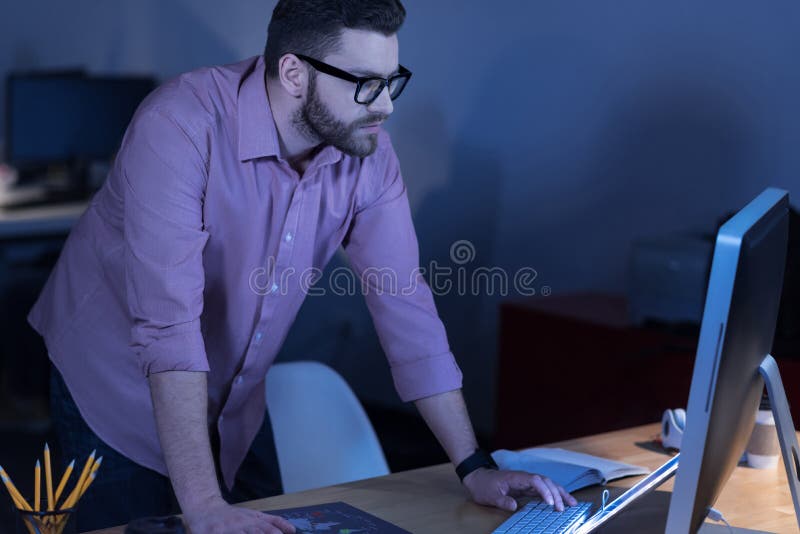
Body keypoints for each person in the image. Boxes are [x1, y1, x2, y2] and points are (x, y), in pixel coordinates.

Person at [29, 0, 577, 531]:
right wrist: (202, 504)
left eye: (392, 81)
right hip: (115, 386)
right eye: (366, 82)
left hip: (234, 394)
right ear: (294, 73)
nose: (385, 105)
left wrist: (474, 467)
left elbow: (405, 306)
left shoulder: (368, 153)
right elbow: (167, 327)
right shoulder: (179, 126)